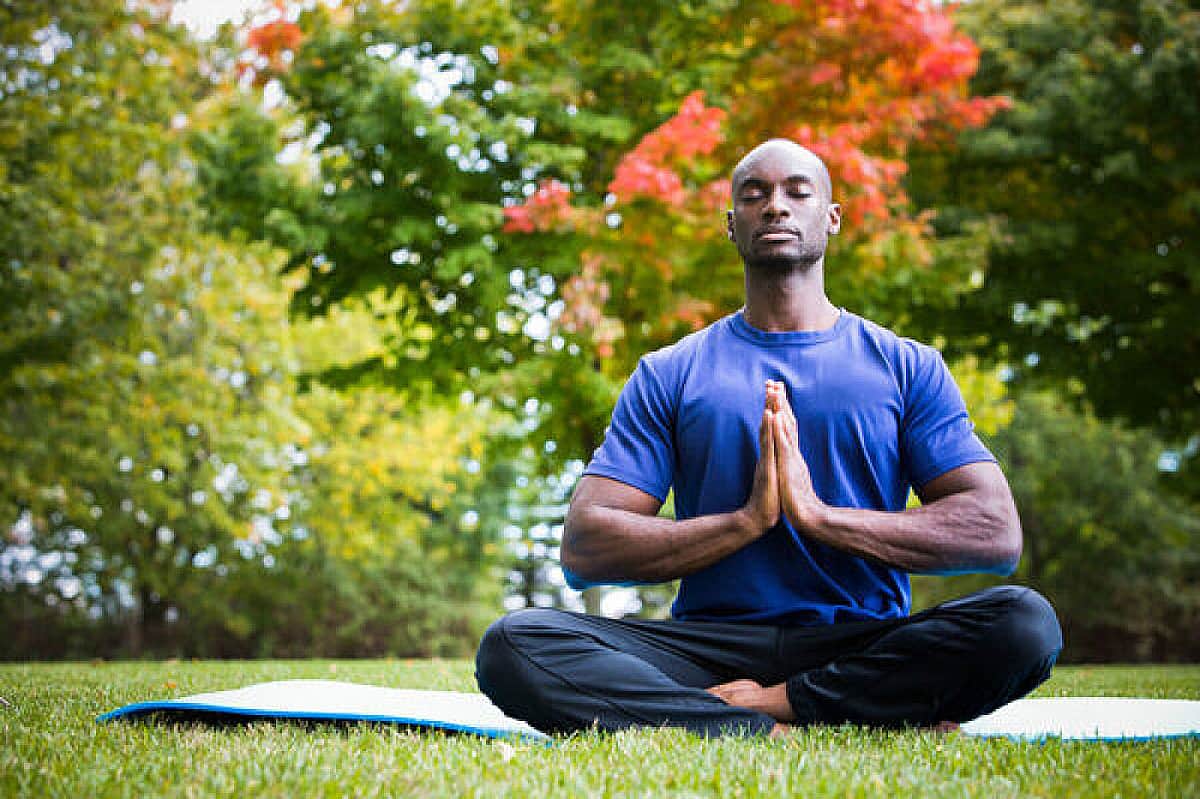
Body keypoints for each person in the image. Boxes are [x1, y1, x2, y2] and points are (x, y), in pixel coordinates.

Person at [475, 138, 1062, 737]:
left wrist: (816, 517)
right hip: (707, 649)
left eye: (797, 192)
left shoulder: (906, 366)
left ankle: (779, 706)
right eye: (754, 195)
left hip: (860, 642)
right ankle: (797, 718)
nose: (775, 206)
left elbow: (993, 532)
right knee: (514, 645)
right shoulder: (670, 371)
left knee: (1025, 624)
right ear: (732, 225)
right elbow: (586, 546)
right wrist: (747, 521)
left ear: (831, 218)